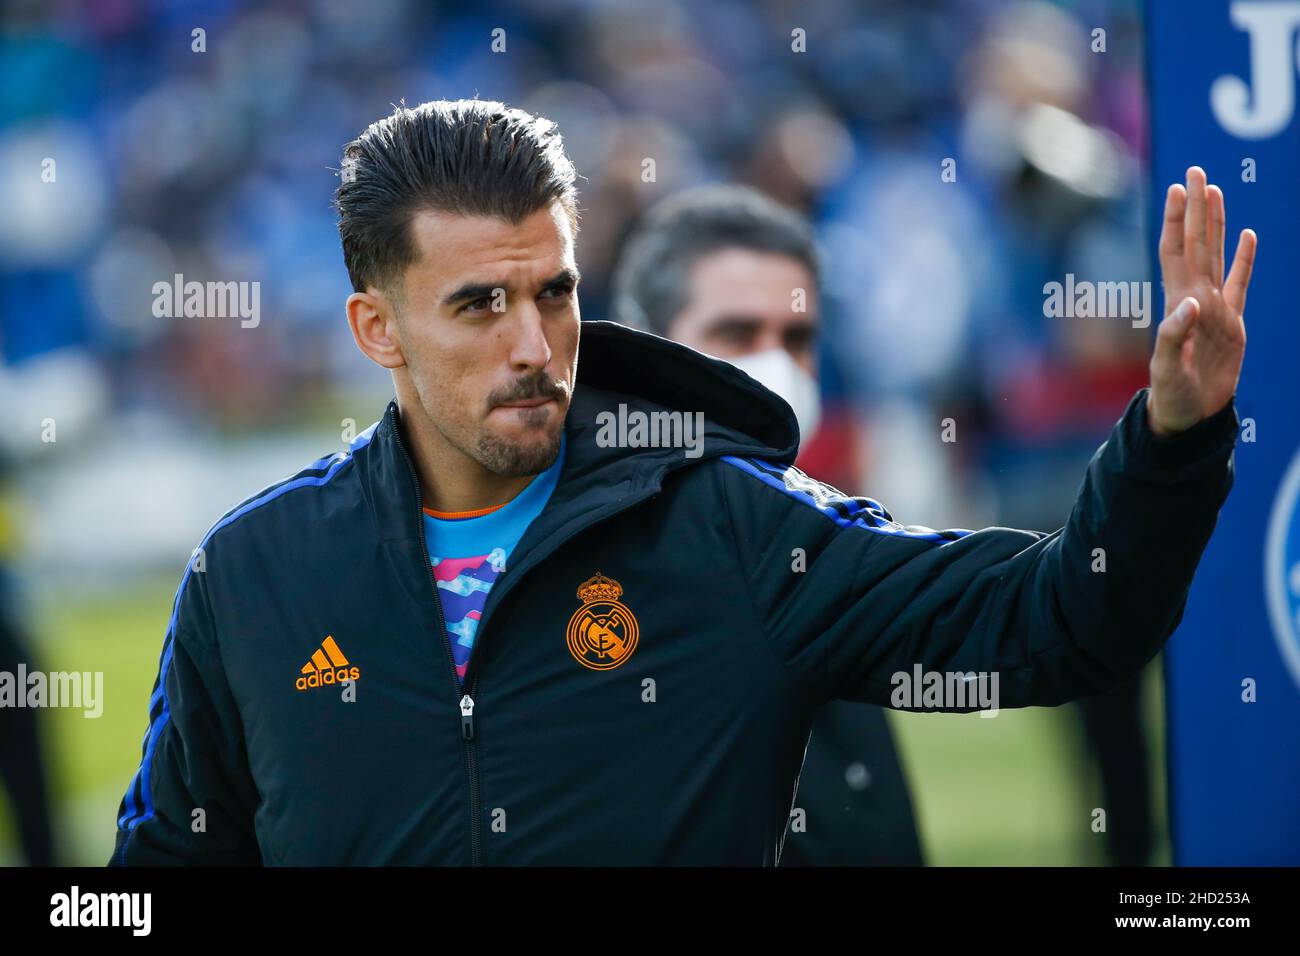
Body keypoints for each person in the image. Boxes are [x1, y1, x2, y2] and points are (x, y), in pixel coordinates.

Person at [110, 99, 1254, 865]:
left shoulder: (727, 525)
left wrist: (1171, 437)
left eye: (551, 292)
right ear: (376, 327)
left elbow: (1059, 620)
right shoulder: (256, 575)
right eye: (477, 304)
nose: (530, 343)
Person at [611, 184, 923, 865]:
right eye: (736, 333)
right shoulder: (607, 558)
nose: (775, 364)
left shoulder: (822, 535)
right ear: (648, 347)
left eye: (797, 338)